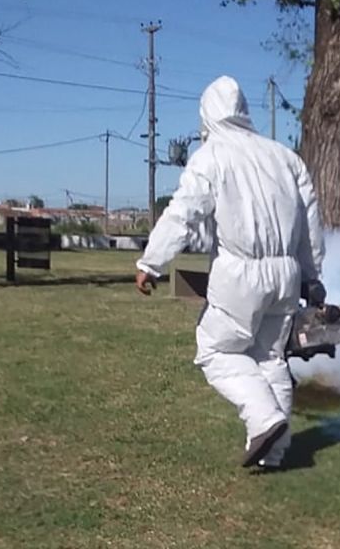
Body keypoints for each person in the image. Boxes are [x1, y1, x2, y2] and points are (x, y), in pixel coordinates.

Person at [134, 75, 325, 469]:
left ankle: (264, 420)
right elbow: (311, 223)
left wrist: (151, 263)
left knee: (216, 351)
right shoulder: (286, 157)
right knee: (270, 357)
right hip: (286, 275)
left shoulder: (212, 156)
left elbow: (183, 213)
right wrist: (312, 275)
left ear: (208, 115)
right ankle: (273, 453)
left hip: (239, 272)